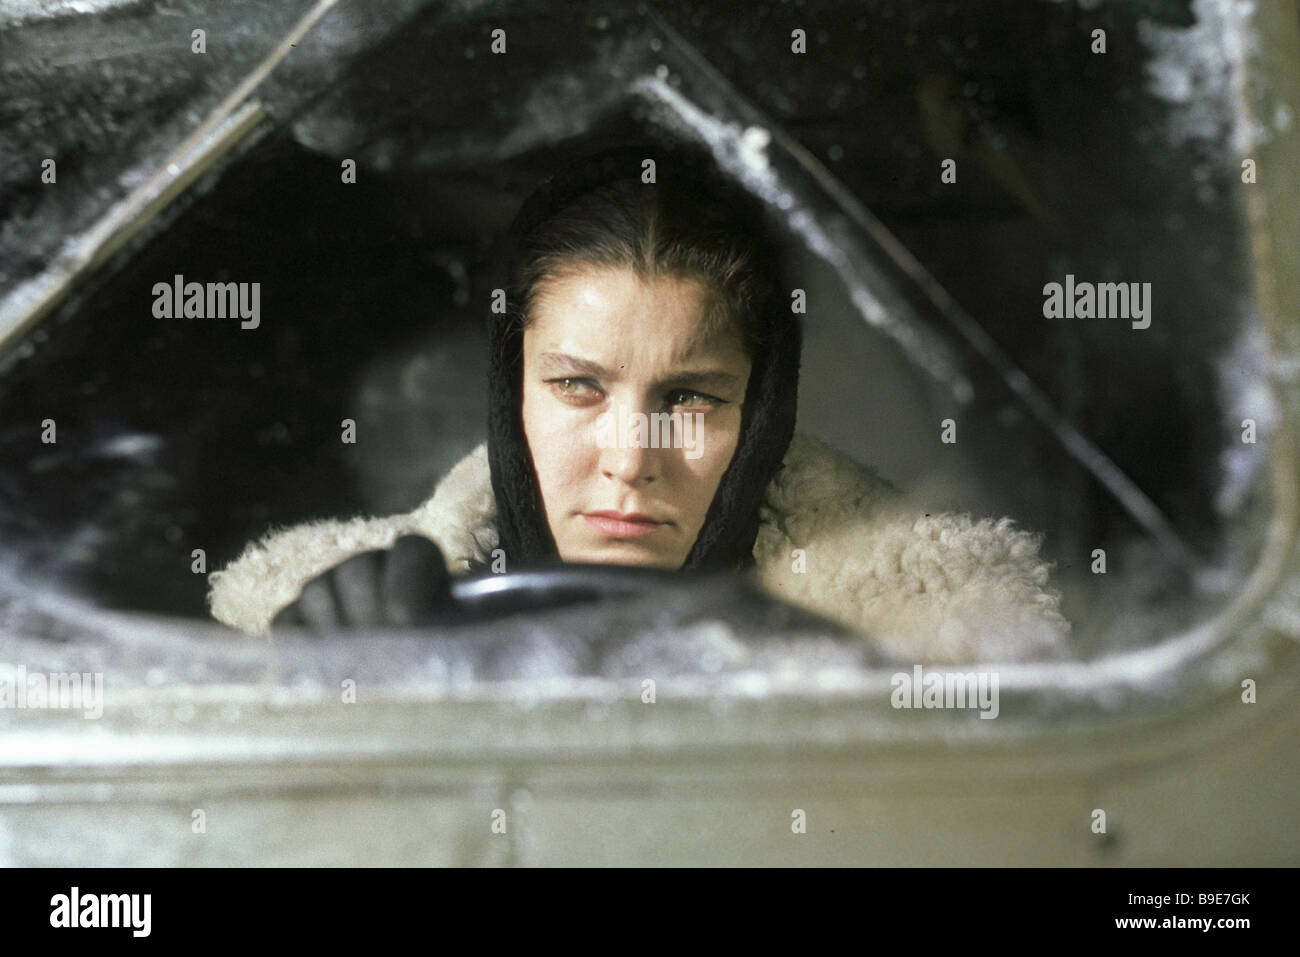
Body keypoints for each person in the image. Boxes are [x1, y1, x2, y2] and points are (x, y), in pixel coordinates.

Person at [206, 143, 1070, 663]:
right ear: (510, 400)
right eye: (578, 386)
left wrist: (817, 677)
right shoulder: (316, 623)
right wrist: (333, 713)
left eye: (689, 396)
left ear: (763, 411)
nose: (630, 457)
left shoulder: (944, 642)